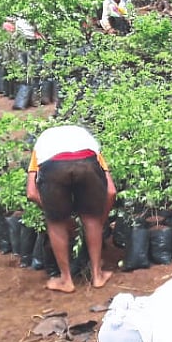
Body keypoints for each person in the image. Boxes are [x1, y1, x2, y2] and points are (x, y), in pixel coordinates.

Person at [25, 125, 116, 293]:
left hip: (53, 166)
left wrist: (61, 218)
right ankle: (97, 276)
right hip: (86, 162)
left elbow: (31, 193)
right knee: (91, 219)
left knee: (55, 224)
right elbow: (111, 191)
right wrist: (100, 221)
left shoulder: (41, 145)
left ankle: (66, 280)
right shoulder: (90, 144)